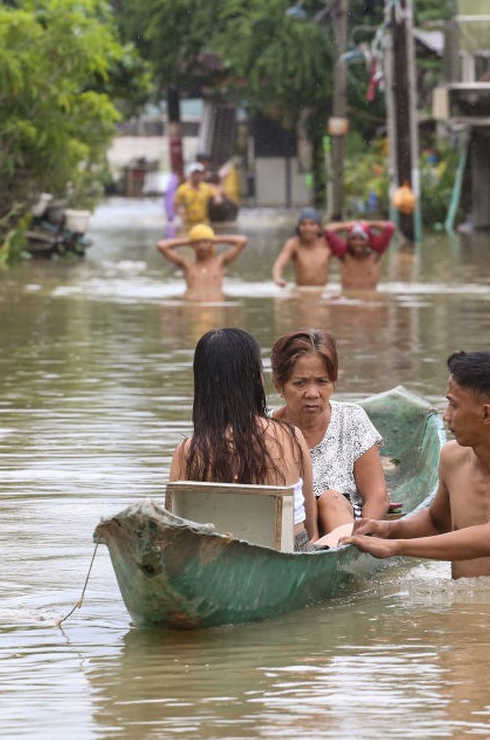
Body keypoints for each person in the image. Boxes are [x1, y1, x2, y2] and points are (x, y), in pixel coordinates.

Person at [343, 350, 490, 578]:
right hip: (460, 598)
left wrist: (396, 547)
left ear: (486, 414)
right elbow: (437, 522)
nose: (446, 416)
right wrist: (388, 529)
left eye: (453, 405)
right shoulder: (452, 456)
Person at [170, 328, 319, 549]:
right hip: (289, 552)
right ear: (255, 378)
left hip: (215, 557)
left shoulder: (187, 452)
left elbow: (176, 532)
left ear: (202, 384)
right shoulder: (291, 436)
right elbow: (311, 528)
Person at [270, 329, 389, 538]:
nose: (312, 393)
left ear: (333, 382)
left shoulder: (351, 419)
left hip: (346, 526)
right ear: (279, 385)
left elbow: (377, 495)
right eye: (300, 383)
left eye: (322, 382)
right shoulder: (265, 429)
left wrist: (363, 537)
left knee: (331, 500)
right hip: (291, 530)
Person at [156, 224, 247, 302]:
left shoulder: (220, 262)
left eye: (205, 242)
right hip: (193, 306)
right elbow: (161, 245)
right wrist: (190, 240)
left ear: (212, 243)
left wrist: (214, 239)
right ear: (191, 245)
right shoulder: (186, 265)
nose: (201, 246)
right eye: (197, 243)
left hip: (215, 307)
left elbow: (242, 241)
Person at [324, 220, 395, 292]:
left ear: (369, 241)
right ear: (348, 241)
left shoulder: (375, 256)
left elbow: (390, 228)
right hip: (347, 298)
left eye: (362, 239)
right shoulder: (344, 257)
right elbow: (328, 229)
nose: (357, 242)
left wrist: (370, 224)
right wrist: (347, 225)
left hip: (370, 298)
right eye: (353, 239)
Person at [272, 208, 333, 288]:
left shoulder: (328, 244)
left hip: (322, 291)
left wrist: (347, 225)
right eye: (303, 224)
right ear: (298, 228)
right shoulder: (294, 244)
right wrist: (277, 278)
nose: (307, 228)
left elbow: (346, 257)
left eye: (312, 224)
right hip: (301, 290)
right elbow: (280, 264)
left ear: (319, 228)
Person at [173, 162, 224, 227]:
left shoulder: (206, 187)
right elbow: (175, 204)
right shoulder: (183, 189)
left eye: (199, 173)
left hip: (204, 222)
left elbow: (217, 193)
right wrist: (181, 216)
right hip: (188, 223)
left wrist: (217, 198)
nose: (197, 176)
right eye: (194, 173)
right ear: (190, 175)